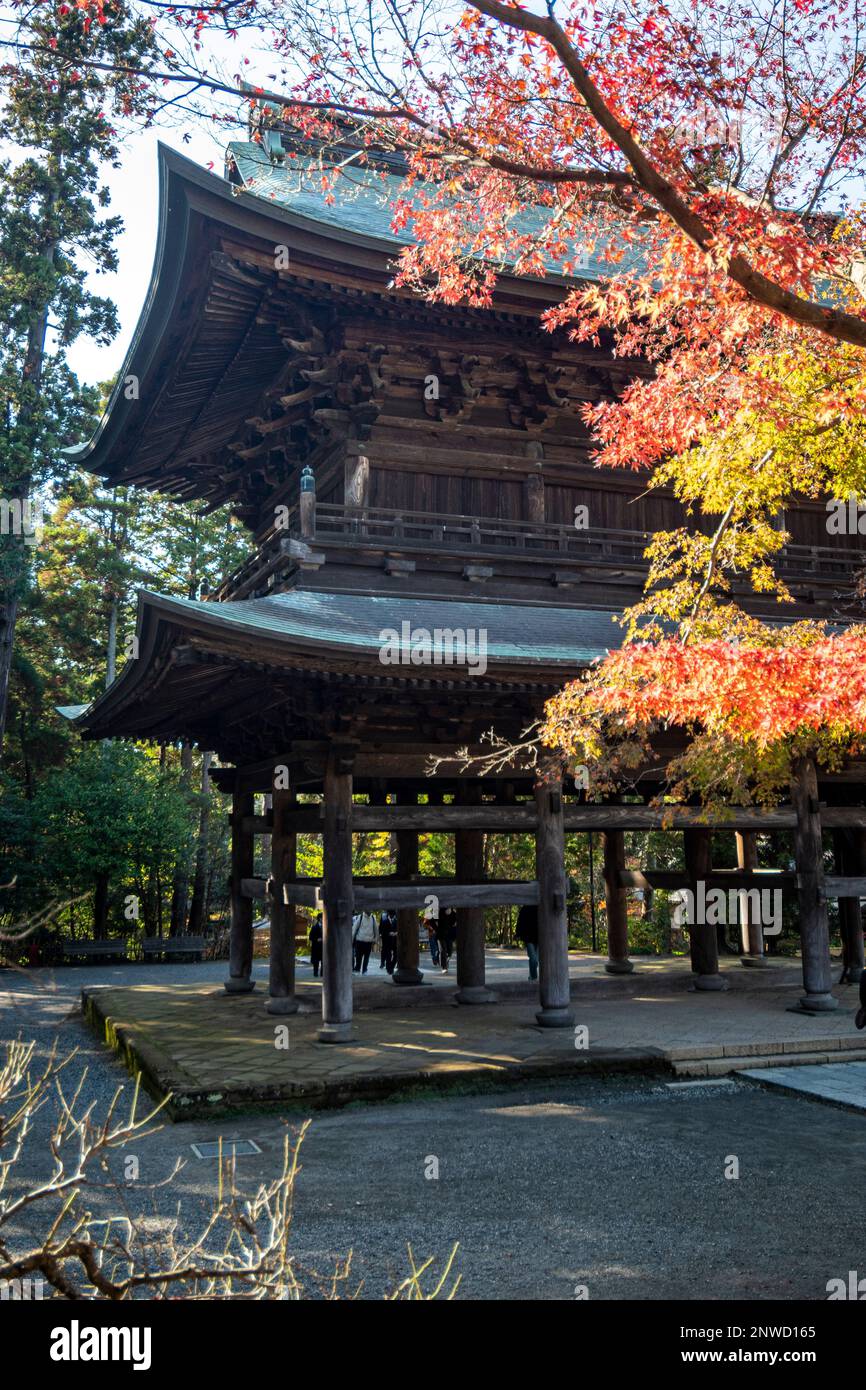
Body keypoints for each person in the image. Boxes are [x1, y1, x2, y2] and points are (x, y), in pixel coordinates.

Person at [516, 903, 539, 981]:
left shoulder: (541, 906)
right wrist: (518, 933)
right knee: (533, 959)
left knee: (536, 959)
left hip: (540, 936)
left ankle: (532, 976)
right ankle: (533, 978)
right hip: (528, 937)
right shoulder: (525, 908)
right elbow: (520, 921)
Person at [352, 909, 377, 974]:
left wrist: (375, 939)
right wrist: (352, 940)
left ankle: (364, 970)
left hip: (369, 941)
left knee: (367, 957)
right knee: (358, 957)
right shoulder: (360, 917)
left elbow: (376, 929)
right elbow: (354, 929)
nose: (370, 911)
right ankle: (357, 969)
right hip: (360, 941)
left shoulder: (373, 918)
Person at [437, 906, 457, 974]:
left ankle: (446, 961)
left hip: (449, 935)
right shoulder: (439, 911)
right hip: (441, 934)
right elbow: (433, 921)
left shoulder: (453, 912)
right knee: (443, 950)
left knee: (450, 951)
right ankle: (444, 967)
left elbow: (454, 922)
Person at [379, 909, 397, 975]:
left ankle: (391, 966)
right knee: (388, 955)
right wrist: (389, 933)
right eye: (391, 915)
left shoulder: (396, 921)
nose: (392, 916)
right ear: (389, 915)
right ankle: (389, 969)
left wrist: (396, 933)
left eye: (393, 915)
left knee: (396, 955)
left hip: (395, 941)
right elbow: (382, 931)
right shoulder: (385, 921)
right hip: (387, 941)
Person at [423, 900, 440, 965]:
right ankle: (434, 959)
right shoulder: (428, 914)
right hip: (432, 934)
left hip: (439, 933)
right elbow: (424, 924)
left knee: (439, 948)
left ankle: (438, 959)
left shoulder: (439, 913)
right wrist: (430, 927)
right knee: (433, 947)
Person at [309, 912, 323, 977]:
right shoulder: (314, 927)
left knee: (324, 962)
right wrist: (317, 939)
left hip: (323, 947)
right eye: (322, 918)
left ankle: (323, 974)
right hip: (316, 947)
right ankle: (315, 973)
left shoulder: (326, 927)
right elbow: (310, 937)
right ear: (320, 919)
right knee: (316, 962)